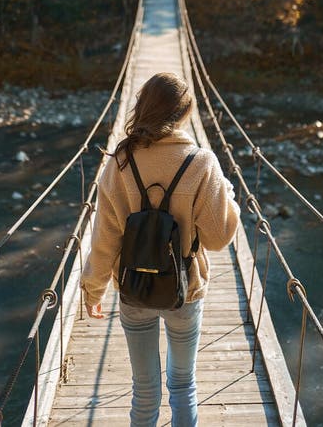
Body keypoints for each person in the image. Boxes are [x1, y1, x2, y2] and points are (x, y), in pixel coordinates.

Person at [80, 71, 240, 427]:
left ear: (144, 107)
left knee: (144, 388)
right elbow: (217, 239)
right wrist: (228, 197)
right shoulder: (203, 163)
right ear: (184, 114)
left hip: (133, 289)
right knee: (183, 385)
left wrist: (93, 290)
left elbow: (105, 236)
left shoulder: (119, 160)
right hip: (185, 291)